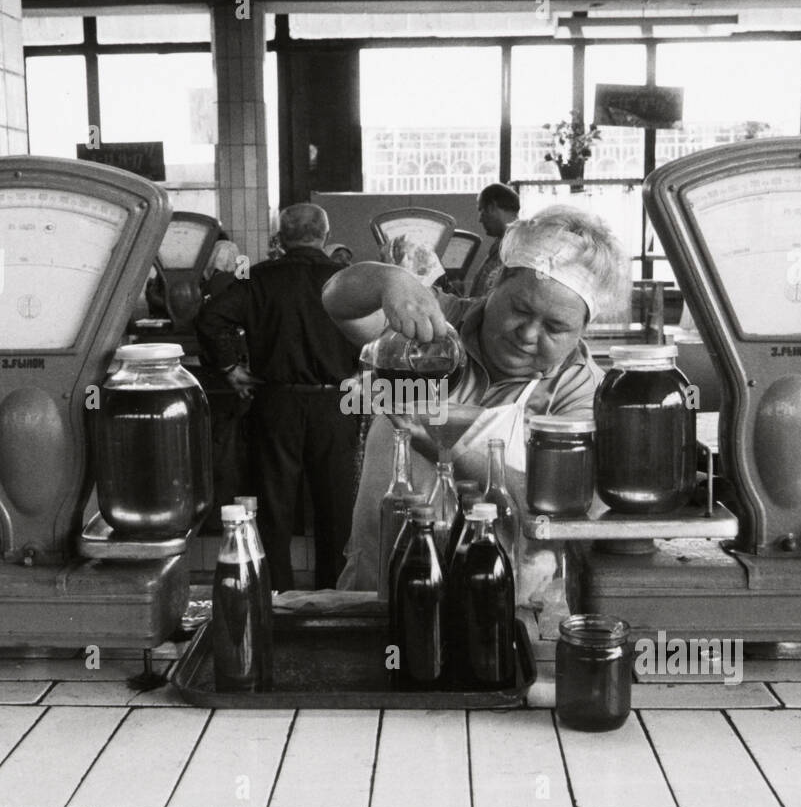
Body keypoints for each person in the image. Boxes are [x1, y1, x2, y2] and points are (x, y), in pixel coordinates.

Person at [323, 203, 629, 598]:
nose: (528, 334)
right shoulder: (434, 324)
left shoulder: (582, 390)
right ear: (496, 282)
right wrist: (388, 280)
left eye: (556, 327)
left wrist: (452, 450)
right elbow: (338, 301)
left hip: (501, 604)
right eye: (520, 309)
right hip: (381, 583)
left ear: (584, 329)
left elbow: (564, 514)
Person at [195, 203, 360, 591]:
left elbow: (210, 318)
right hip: (335, 405)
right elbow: (379, 332)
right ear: (324, 234)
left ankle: (276, 599)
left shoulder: (259, 278)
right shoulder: (347, 280)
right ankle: (333, 600)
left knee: (273, 509)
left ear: (281, 238)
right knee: (334, 511)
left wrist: (229, 368)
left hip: (275, 404)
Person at [465, 182, 521, 299]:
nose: (480, 219)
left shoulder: (517, 247)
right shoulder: (502, 243)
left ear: (491, 207)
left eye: (481, 210)